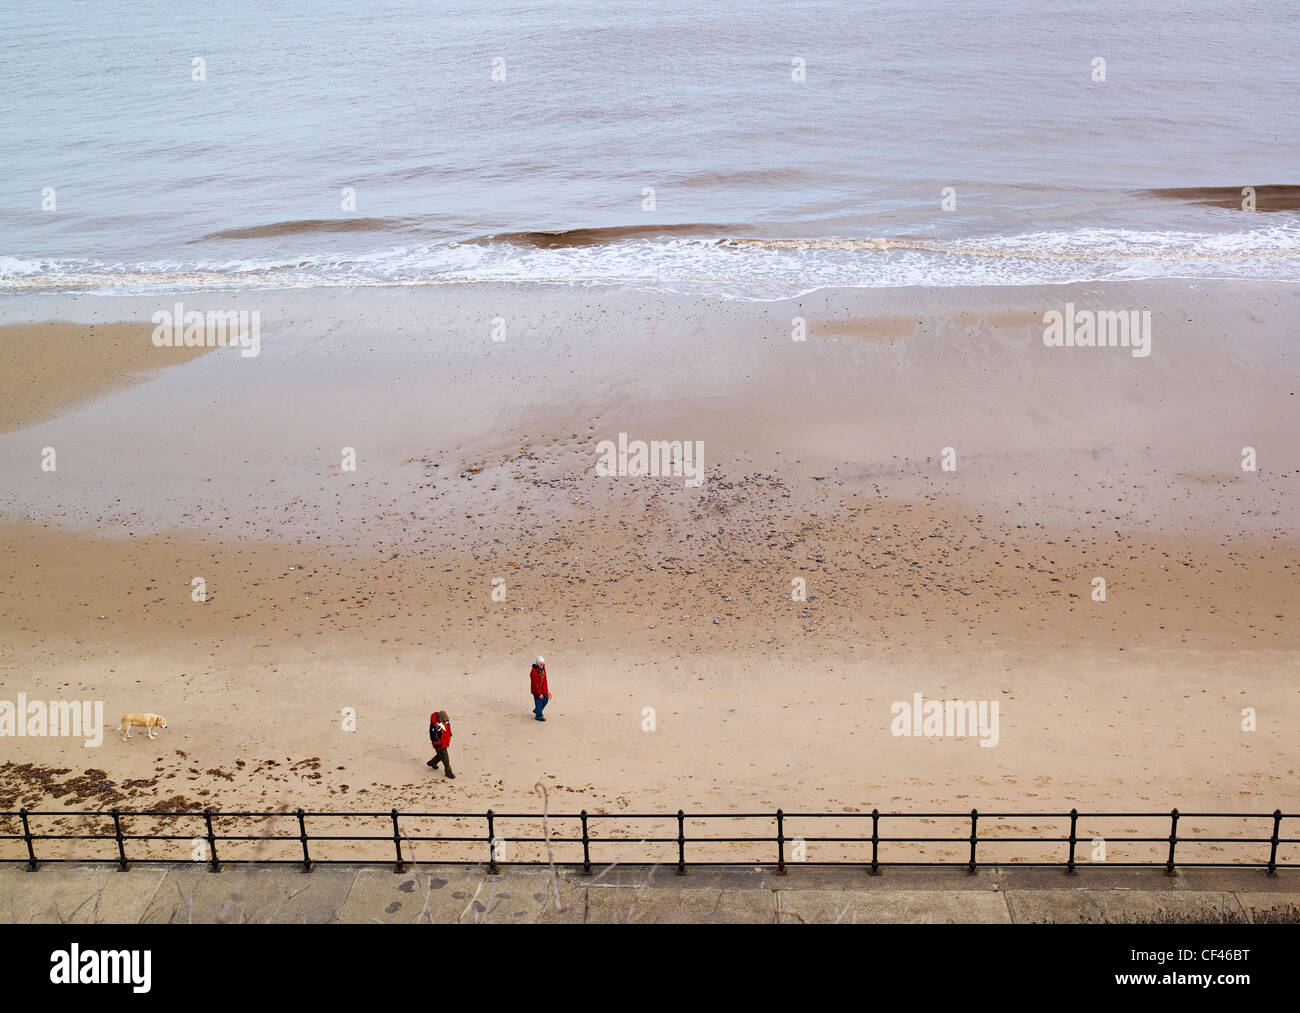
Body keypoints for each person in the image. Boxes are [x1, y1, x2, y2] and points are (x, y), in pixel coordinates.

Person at [427, 709, 454, 777]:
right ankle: (448, 772)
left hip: (445, 741)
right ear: (439, 719)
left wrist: (450, 733)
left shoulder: (446, 720)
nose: (446, 721)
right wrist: (437, 743)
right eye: (444, 720)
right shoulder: (433, 725)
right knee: (445, 759)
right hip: (439, 744)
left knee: (441, 755)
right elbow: (433, 735)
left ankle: (432, 762)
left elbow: (448, 727)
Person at [529, 656, 551, 721]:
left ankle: (537, 710)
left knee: (546, 699)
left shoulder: (542, 667)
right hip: (537, 691)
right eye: (541, 664)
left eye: (543, 664)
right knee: (539, 702)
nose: (542, 665)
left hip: (544, 689)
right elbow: (535, 684)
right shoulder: (533, 672)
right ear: (537, 663)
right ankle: (538, 716)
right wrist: (539, 693)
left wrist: (546, 690)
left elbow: (544, 679)